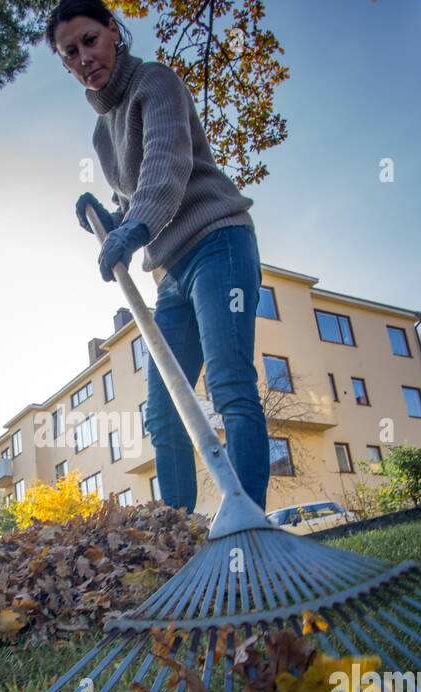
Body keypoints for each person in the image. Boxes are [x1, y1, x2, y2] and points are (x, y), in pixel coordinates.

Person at [46, 0, 271, 514]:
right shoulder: (103, 133)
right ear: (65, 63)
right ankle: (180, 542)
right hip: (169, 273)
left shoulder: (157, 83)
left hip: (218, 243)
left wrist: (134, 229)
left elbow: (166, 168)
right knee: (166, 412)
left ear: (113, 32)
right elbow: (134, 200)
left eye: (90, 40)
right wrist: (110, 217)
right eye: (70, 52)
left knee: (229, 384)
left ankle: (250, 524)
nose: (84, 57)